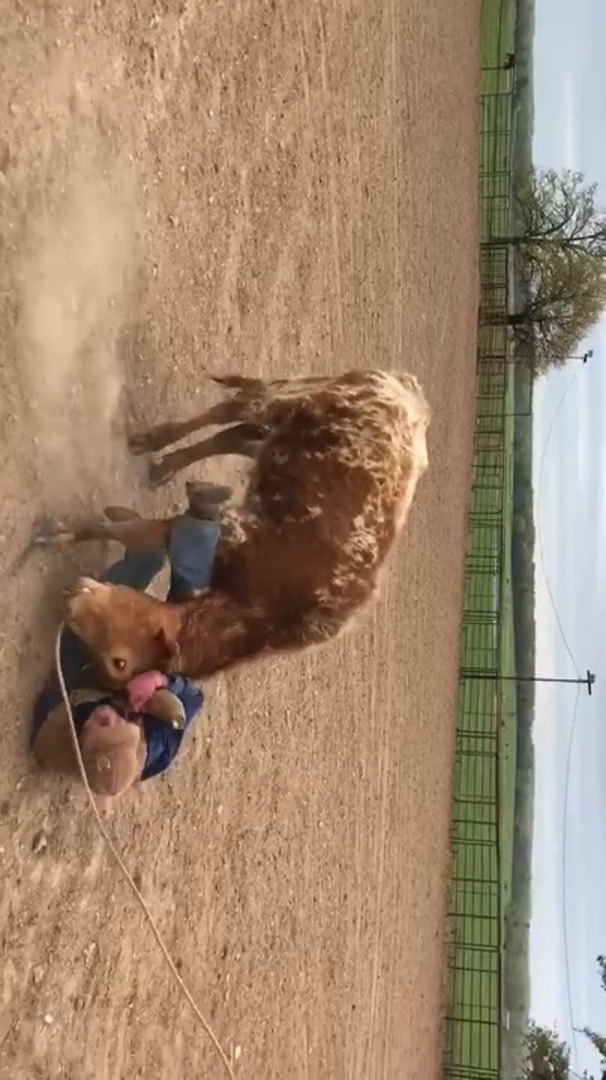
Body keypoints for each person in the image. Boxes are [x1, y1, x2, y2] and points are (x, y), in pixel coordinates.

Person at [31, 485, 230, 800]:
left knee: (134, 581)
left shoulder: (56, 728)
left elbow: (74, 668)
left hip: (96, 666)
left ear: (82, 747)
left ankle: (142, 555)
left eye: (99, 727)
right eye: (118, 725)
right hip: (152, 666)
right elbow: (193, 699)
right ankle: (200, 529)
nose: (108, 718)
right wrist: (162, 682)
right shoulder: (158, 746)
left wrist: (117, 683)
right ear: (135, 739)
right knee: (188, 623)